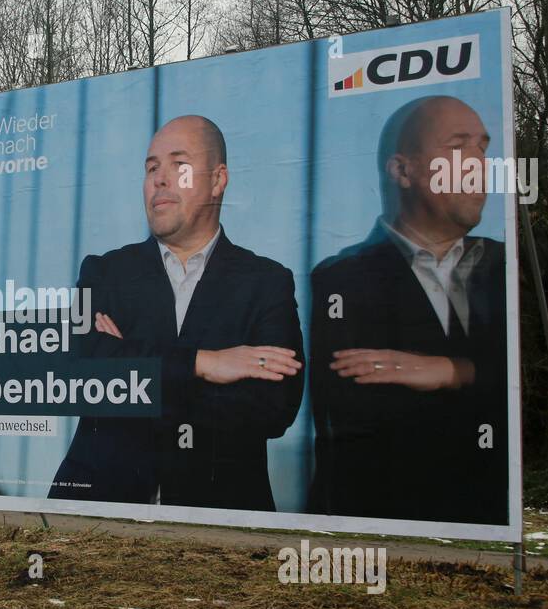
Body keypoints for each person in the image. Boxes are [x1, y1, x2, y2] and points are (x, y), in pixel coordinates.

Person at [49, 115, 304, 511]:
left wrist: (132, 371)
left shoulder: (267, 282)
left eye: (178, 165)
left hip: (218, 529)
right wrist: (205, 364)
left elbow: (273, 409)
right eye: (152, 167)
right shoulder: (102, 272)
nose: (160, 179)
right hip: (95, 517)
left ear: (218, 180)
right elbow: (81, 375)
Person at [308, 95, 508, 523]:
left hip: (489, 511)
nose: (478, 164)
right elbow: (362, 419)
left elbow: (546, 389)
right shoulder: (339, 279)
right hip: (388, 519)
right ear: (402, 170)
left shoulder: (509, 269)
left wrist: (452, 371)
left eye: (483, 149)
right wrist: (483, 378)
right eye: (458, 148)